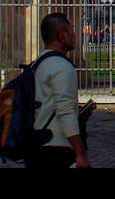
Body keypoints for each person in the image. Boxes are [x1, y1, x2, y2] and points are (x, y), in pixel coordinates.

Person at [26, 13, 90, 169]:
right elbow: (65, 111)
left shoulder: (36, 64)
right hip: (56, 147)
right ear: (62, 36)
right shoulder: (62, 66)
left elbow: (46, 103)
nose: (75, 35)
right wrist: (80, 152)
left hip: (35, 144)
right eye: (71, 31)